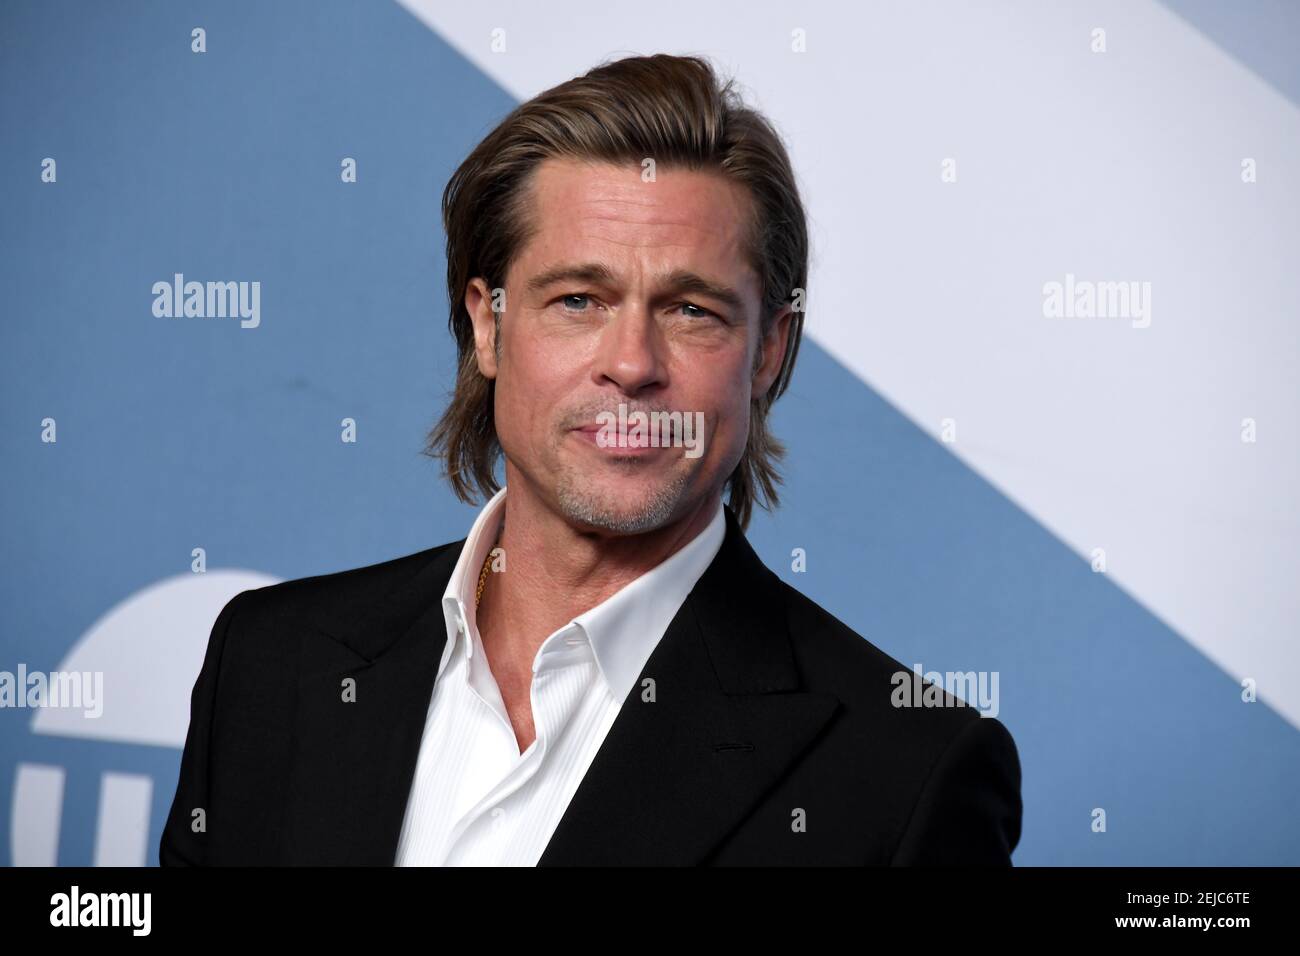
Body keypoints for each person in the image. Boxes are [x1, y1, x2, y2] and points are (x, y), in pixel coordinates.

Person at [160, 52, 1021, 866]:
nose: (633, 362)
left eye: (692, 311)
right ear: (489, 324)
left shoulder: (905, 775)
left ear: (767, 353)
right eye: (579, 299)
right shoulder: (272, 663)